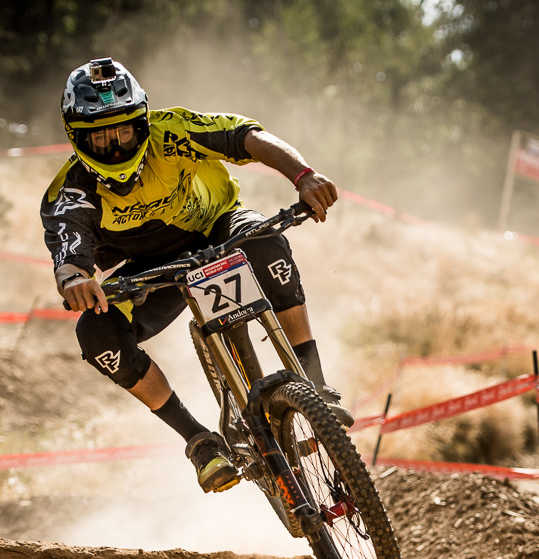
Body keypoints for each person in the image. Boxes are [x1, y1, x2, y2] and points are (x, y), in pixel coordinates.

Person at [40, 57, 349, 495]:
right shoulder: (70, 192)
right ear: (76, 138)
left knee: (266, 242)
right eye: (100, 137)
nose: (115, 148)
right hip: (152, 270)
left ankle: (316, 384)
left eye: (124, 131)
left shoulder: (175, 130)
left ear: (143, 123)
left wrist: (303, 175)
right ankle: (199, 441)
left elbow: (247, 136)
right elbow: (69, 255)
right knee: (96, 333)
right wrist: (74, 280)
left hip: (219, 226)